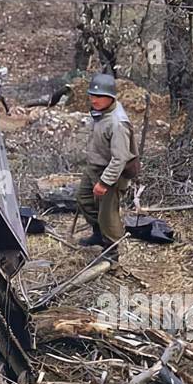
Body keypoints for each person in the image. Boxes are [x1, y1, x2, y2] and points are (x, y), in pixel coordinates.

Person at [74, 73, 138, 263]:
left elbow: (119, 159)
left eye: (98, 96)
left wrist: (104, 182)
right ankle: (98, 234)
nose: (93, 100)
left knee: (107, 215)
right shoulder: (101, 111)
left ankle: (111, 253)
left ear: (110, 97)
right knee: (83, 199)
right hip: (95, 166)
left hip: (110, 173)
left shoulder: (118, 123)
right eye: (91, 96)